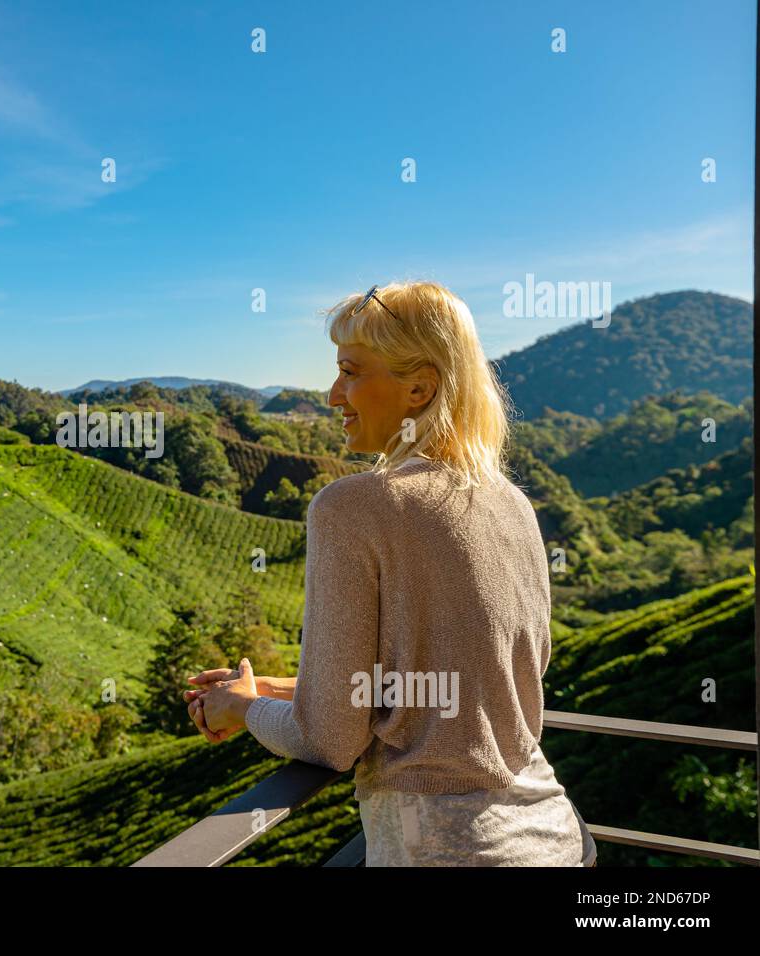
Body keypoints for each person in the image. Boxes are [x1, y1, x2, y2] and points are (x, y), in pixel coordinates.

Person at [184, 281, 596, 867]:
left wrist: (244, 711)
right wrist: (271, 689)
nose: (332, 395)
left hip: (446, 849)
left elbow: (329, 741)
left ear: (420, 387)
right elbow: (458, 690)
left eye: (350, 372)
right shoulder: (511, 505)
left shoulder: (351, 507)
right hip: (557, 838)